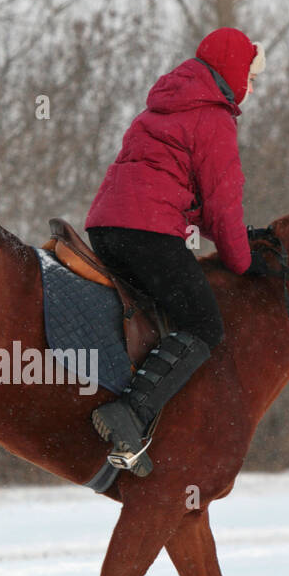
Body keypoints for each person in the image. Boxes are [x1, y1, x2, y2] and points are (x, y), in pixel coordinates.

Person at [86, 27, 264, 475]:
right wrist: (244, 259)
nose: (252, 87)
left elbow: (188, 201)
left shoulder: (159, 109)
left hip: (106, 227)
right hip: (147, 231)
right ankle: (130, 414)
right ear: (234, 74)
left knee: (154, 309)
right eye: (252, 76)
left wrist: (234, 235)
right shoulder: (214, 118)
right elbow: (223, 204)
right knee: (204, 323)